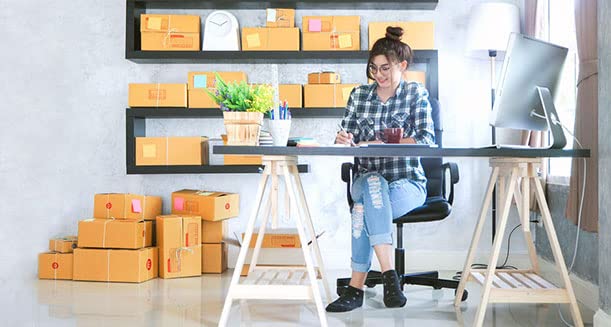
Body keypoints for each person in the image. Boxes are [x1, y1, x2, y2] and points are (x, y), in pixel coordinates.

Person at [327, 26, 435, 313]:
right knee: (373, 182)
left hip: (407, 183)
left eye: (385, 68)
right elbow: (345, 136)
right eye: (373, 68)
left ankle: (355, 289)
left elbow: (427, 139)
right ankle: (390, 277)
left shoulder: (415, 93)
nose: (379, 75)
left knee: (361, 209)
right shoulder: (359, 95)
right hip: (365, 178)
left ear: (402, 65)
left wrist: (393, 139)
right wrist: (345, 139)